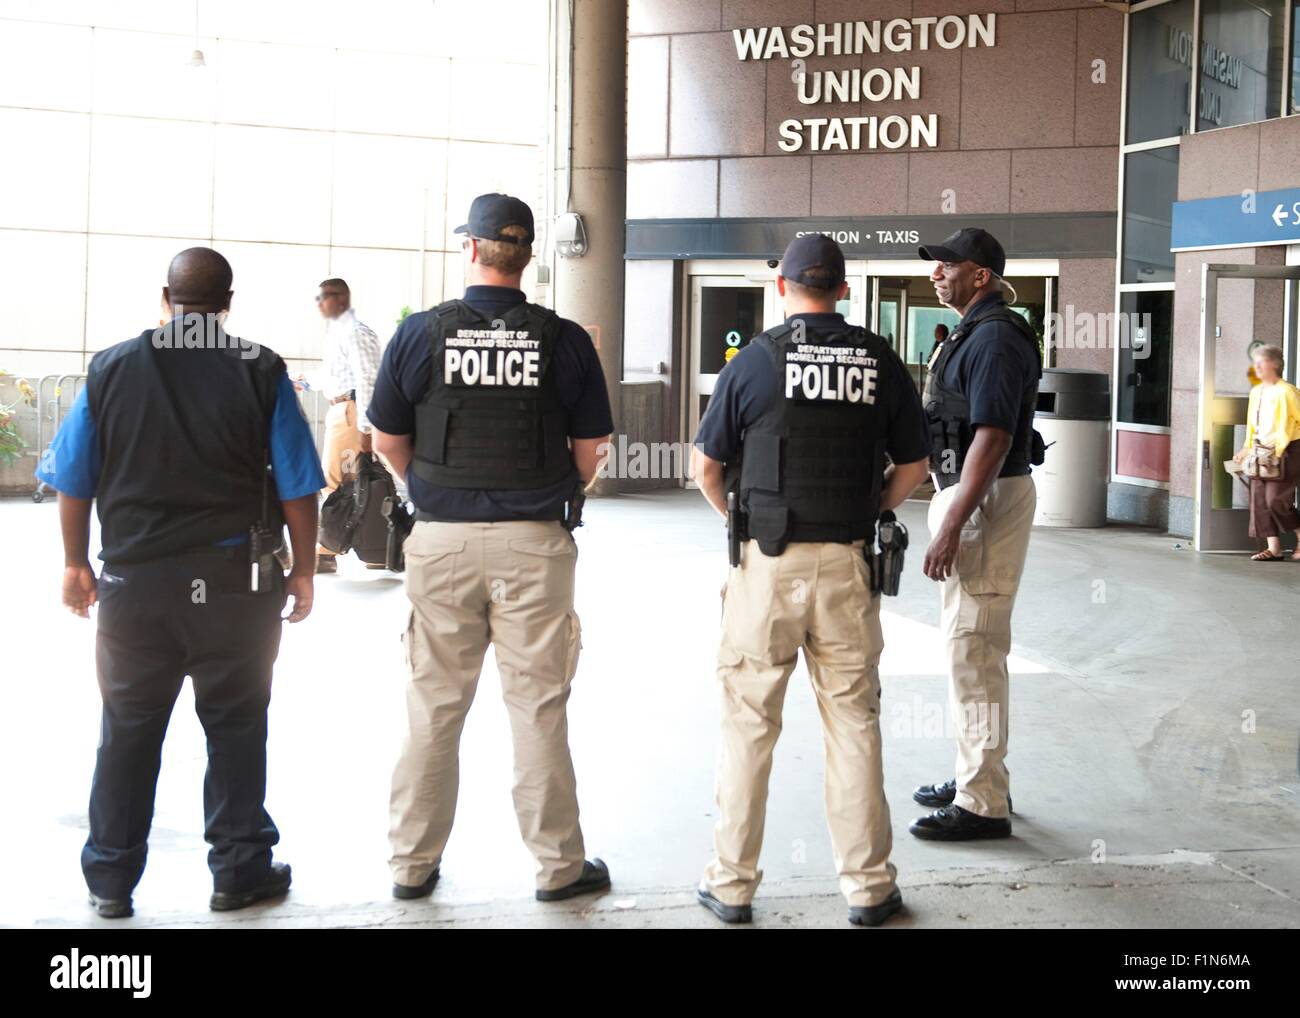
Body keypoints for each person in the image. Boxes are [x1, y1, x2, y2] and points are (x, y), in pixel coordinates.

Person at [35, 247, 324, 918]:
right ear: (228, 303)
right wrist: (304, 568)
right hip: (235, 586)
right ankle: (238, 871)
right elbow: (298, 485)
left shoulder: (111, 368)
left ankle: (110, 883)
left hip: (135, 589)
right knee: (236, 728)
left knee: (129, 733)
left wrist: (76, 563)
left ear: (166, 297)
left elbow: (73, 479)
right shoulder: (260, 368)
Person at [367, 193, 614, 902]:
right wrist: (558, 488)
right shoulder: (564, 341)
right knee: (537, 707)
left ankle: (411, 865)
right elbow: (591, 450)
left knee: (433, 705)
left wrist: (427, 489)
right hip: (536, 544)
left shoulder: (420, 335)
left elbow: (386, 438)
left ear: (470, 250)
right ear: (529, 256)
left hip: (439, 543)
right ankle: (559, 867)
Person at [689, 234, 931, 927]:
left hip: (767, 564)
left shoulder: (756, 361)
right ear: (844, 291)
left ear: (784, 289)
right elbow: (913, 466)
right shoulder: (880, 361)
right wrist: (870, 508)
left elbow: (707, 467)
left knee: (748, 725)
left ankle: (732, 886)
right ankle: (869, 887)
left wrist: (739, 519)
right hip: (848, 564)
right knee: (854, 724)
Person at [911, 228, 1041, 841]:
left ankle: (983, 801)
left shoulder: (992, 336)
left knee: (976, 649)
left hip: (985, 501)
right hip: (969, 496)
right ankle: (978, 771)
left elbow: (991, 437)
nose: (937, 272)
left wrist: (953, 525)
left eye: (946, 264)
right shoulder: (972, 331)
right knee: (970, 649)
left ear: (980, 275)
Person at [309, 278, 383, 573]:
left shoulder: (355, 332)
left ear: (341, 299)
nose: (319, 304)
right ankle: (374, 544)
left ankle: (327, 549)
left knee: (335, 480)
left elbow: (367, 379)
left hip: (351, 412)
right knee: (355, 479)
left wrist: (365, 428)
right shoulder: (340, 333)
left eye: (324, 298)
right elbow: (333, 375)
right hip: (343, 409)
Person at [1233, 344, 1300, 560]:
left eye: (1261, 362)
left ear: (1275, 365)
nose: (1257, 367)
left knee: (1275, 500)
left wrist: (1286, 442)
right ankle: (1274, 548)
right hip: (1260, 452)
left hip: (1287, 450)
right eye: (1256, 362)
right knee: (1259, 499)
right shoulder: (1257, 391)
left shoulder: (1288, 391)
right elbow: (1253, 425)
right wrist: (1245, 449)